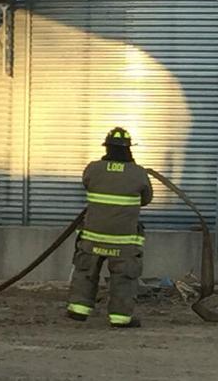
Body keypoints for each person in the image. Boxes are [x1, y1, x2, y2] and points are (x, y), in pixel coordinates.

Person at [66, 127, 153, 328]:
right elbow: (146, 199)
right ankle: (120, 318)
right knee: (124, 278)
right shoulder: (138, 173)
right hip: (123, 242)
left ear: (107, 147)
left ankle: (78, 310)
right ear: (129, 149)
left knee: (85, 272)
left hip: (92, 237)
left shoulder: (93, 169)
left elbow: (87, 185)